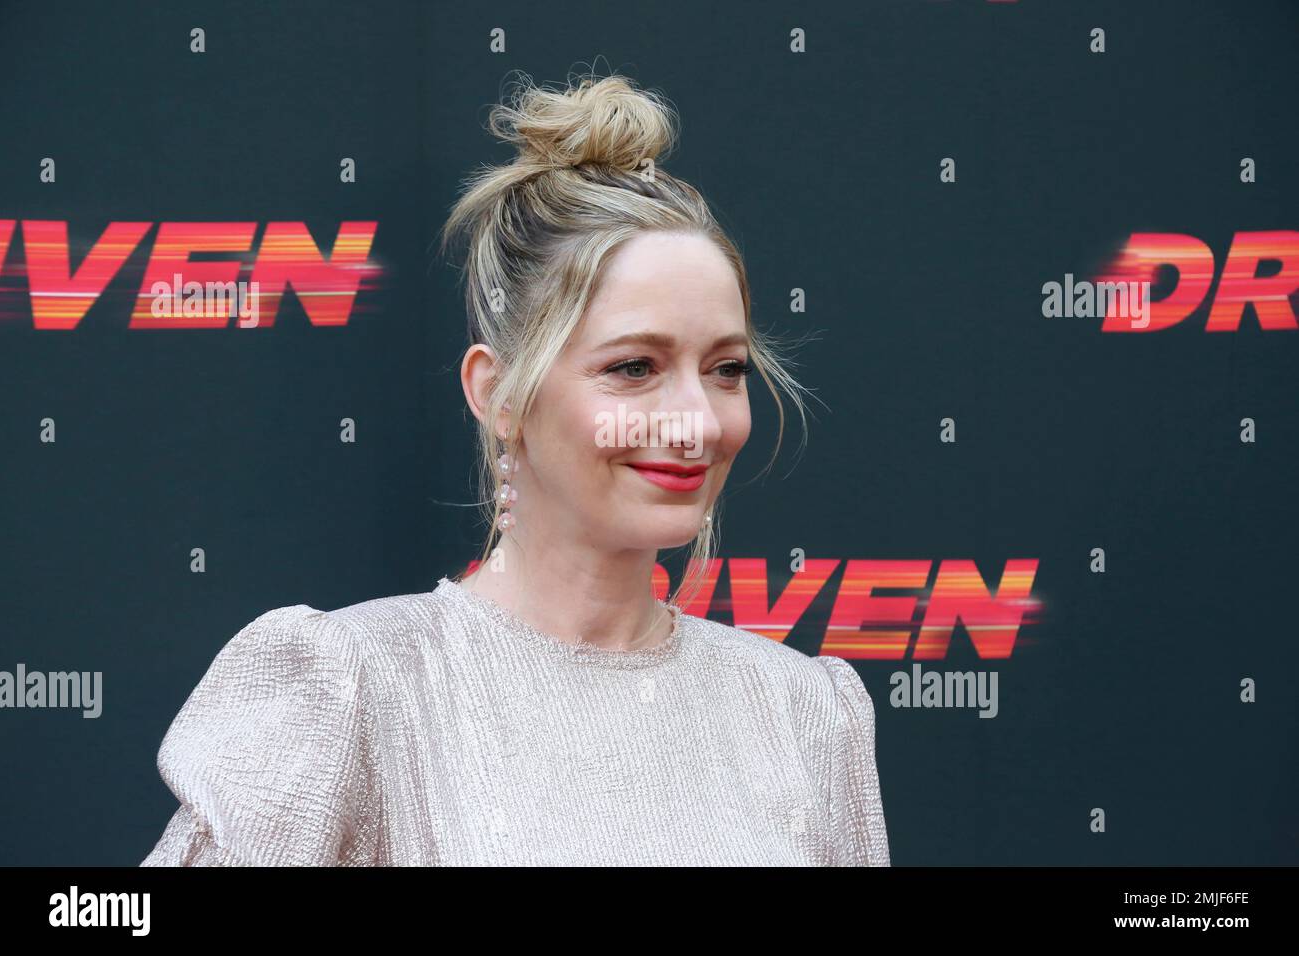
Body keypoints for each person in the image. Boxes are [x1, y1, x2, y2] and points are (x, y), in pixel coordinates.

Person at [139, 70, 890, 866]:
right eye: (634, 367)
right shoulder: (356, 689)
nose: (697, 421)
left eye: (727, 370)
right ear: (499, 396)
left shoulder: (805, 714)